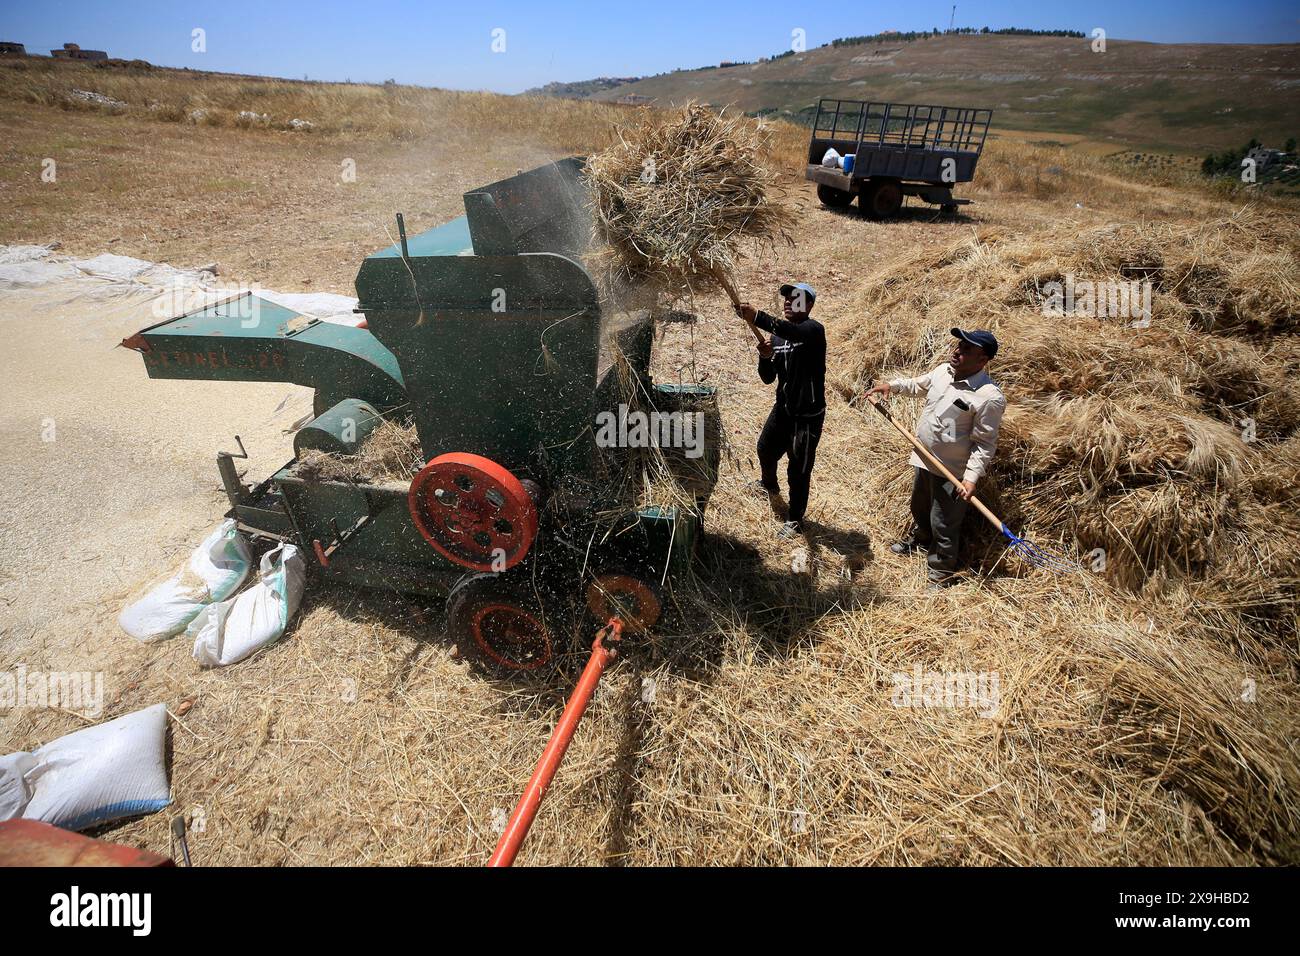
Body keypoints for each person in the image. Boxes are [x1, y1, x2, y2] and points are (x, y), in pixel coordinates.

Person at [866, 328, 1006, 587]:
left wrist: (971, 479)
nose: (957, 352)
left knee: (944, 522)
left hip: (952, 471)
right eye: (958, 345)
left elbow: (984, 444)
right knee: (919, 507)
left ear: (983, 359)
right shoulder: (943, 372)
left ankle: (941, 571)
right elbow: (918, 385)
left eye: (966, 350)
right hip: (923, 457)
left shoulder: (988, 397)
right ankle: (921, 539)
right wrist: (892, 386)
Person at [736, 282, 826, 539]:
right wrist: (765, 357)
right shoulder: (778, 338)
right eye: (786, 298)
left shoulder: (812, 331)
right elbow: (768, 377)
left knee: (798, 470)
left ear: (808, 305)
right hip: (783, 410)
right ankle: (768, 484)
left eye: (796, 298)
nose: (788, 301)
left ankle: (795, 519)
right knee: (764, 448)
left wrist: (757, 317)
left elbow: (790, 331)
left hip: (806, 417)